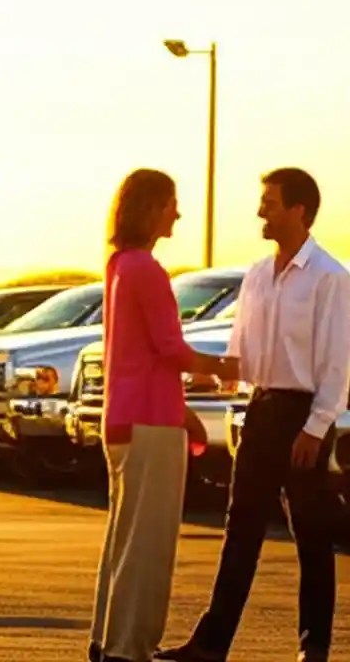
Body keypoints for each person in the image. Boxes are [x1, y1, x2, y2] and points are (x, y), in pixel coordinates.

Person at [156, 168, 350, 662]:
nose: (260, 211)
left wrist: (316, 426)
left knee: (310, 531)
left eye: (269, 202)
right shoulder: (257, 276)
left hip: (304, 414)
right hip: (262, 409)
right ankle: (210, 644)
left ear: (300, 210)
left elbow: (336, 361)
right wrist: (184, 374)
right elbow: (239, 356)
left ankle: (314, 648)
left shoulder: (331, 277)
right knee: (241, 526)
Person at [89, 169, 240, 662]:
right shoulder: (147, 270)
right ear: (152, 207)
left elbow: (139, 356)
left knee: (124, 537)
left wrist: (184, 413)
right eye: (172, 203)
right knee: (148, 543)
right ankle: (131, 648)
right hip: (149, 425)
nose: (177, 213)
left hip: (126, 419)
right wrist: (223, 367)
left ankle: (108, 639)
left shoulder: (118, 266)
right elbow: (170, 348)